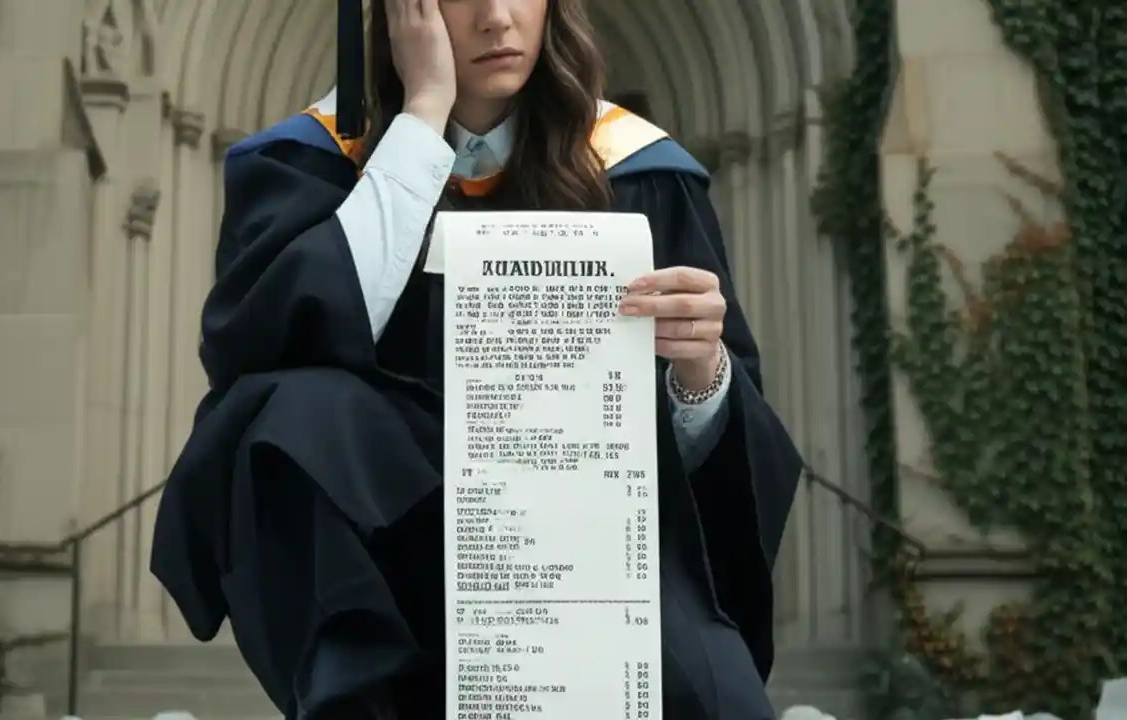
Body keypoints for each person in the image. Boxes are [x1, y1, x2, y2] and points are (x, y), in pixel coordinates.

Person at [150, 0, 803, 718]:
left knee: (716, 700)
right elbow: (266, 351)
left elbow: (727, 455)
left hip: (597, 551)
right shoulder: (311, 165)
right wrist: (423, 116)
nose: (497, 17)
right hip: (396, 553)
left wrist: (700, 375)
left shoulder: (640, 171)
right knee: (288, 409)